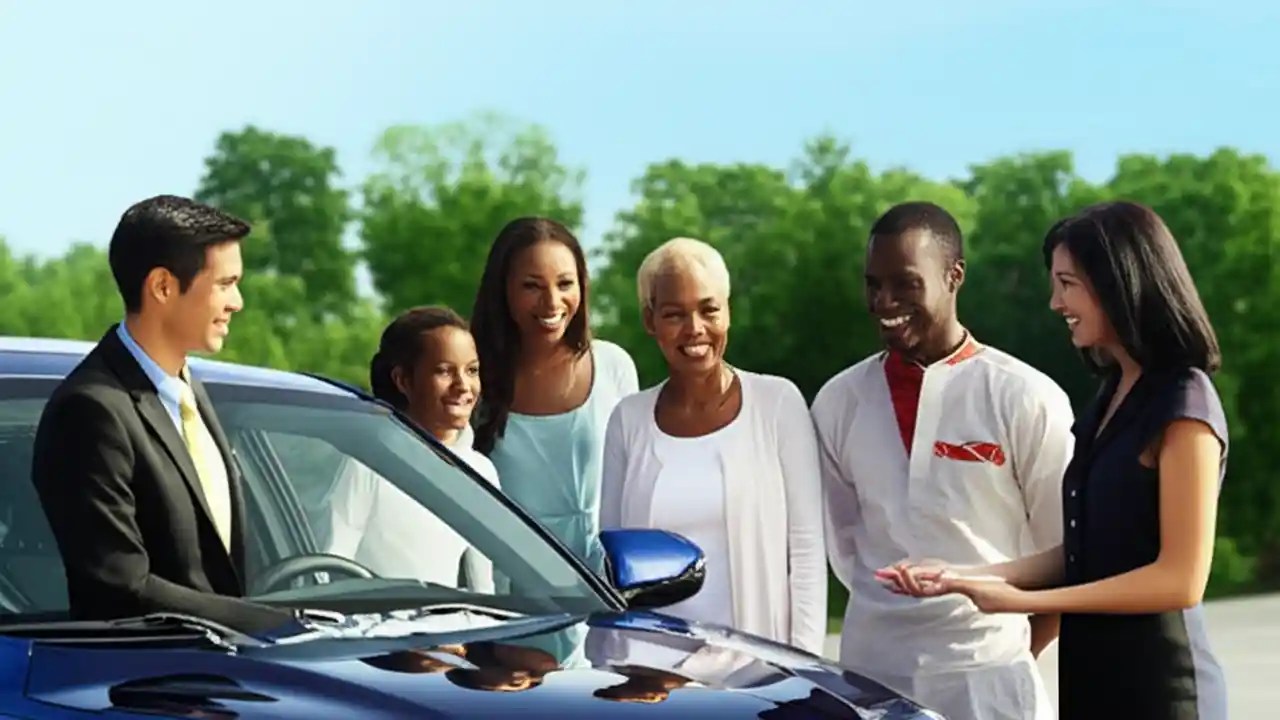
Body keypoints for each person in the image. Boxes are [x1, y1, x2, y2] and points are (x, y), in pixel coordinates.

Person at [880, 201, 1229, 719]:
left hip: (1161, 692)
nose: (1054, 302)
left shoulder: (1184, 403)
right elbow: (1089, 550)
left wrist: (1022, 604)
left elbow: (1179, 580)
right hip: (1093, 681)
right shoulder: (1112, 396)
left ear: (1118, 282)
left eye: (1067, 284)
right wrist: (966, 575)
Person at [810, 201, 1073, 720]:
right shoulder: (838, 401)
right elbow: (845, 549)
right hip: (871, 678)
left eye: (904, 284)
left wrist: (1008, 648)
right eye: (873, 284)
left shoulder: (1025, 396)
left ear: (954, 276)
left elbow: (1065, 553)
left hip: (991, 680)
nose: (884, 301)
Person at [31, 194, 293, 633]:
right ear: (163, 287)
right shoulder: (91, 409)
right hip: (147, 687)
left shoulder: (189, 391)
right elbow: (119, 584)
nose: (238, 302)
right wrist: (274, 624)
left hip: (232, 683)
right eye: (225, 284)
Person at [599, 237, 827, 655]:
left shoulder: (778, 403)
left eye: (709, 309)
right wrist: (611, 663)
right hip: (650, 673)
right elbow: (611, 562)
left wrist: (806, 669)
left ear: (728, 311)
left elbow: (808, 549)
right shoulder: (627, 420)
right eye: (674, 314)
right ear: (650, 321)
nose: (695, 329)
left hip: (758, 668)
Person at [470, 217, 639, 573]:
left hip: (605, 589)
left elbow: (635, 490)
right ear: (502, 290)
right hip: (511, 597)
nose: (551, 303)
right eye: (532, 286)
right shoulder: (472, 377)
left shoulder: (613, 366)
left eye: (565, 284)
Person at [324, 306, 500, 592]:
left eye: (472, 370)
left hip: (448, 632)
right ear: (403, 380)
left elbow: (483, 588)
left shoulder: (480, 472)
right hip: (378, 631)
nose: (463, 385)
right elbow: (331, 570)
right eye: (444, 371)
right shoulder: (368, 463)